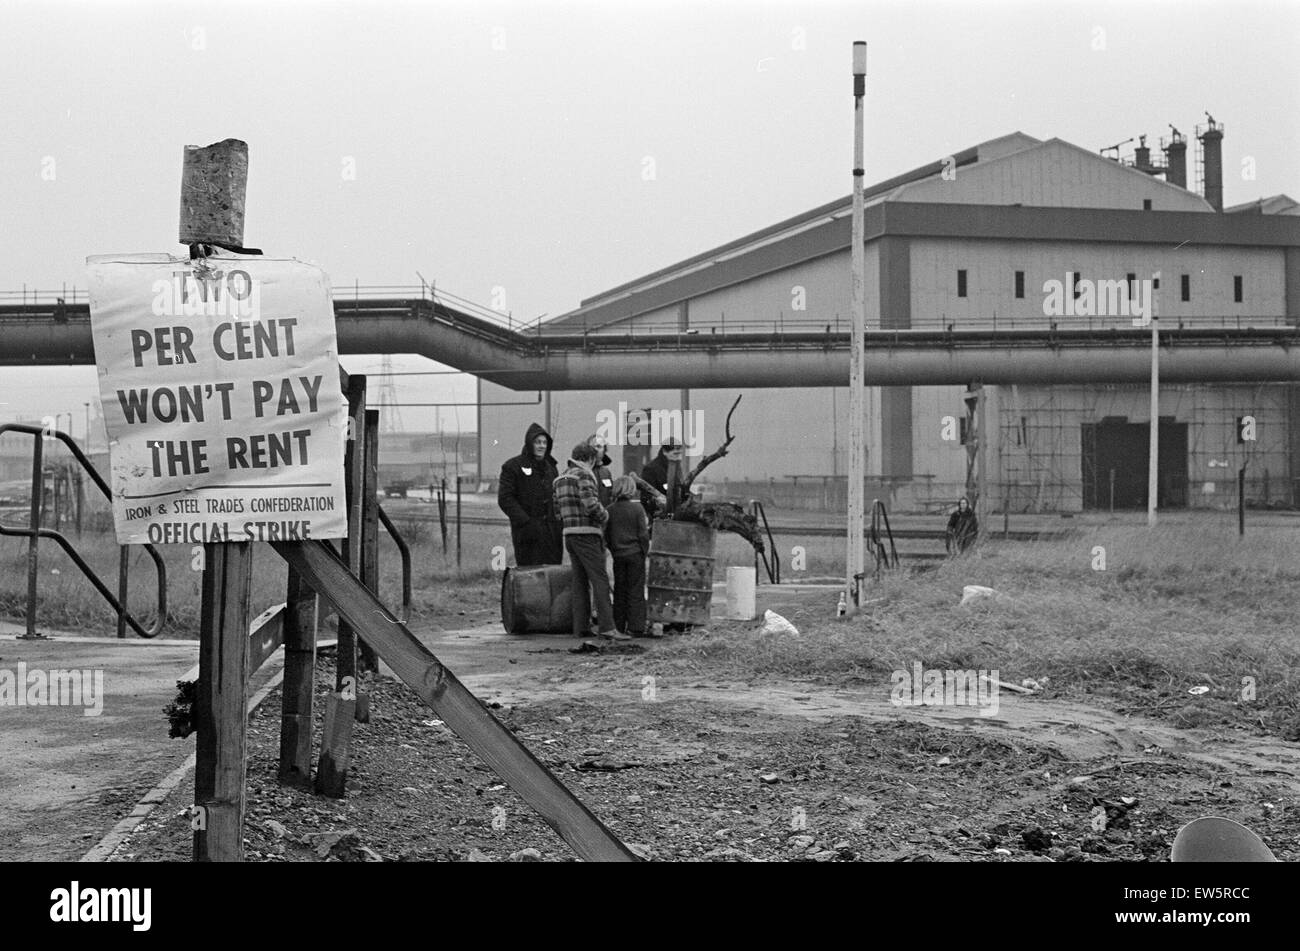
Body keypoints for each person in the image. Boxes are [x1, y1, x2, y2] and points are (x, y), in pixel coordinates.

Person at [553, 442, 628, 641]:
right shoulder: (584, 475)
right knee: (600, 580)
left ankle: (581, 628)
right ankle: (607, 627)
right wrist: (605, 516)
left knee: (579, 583)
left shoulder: (559, 478)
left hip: (569, 534)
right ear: (591, 459)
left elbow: (556, 510)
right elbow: (590, 504)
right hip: (587, 533)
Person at [497, 422, 562, 566]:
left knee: (552, 573)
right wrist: (526, 522)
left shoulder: (552, 468)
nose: (541, 446)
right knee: (530, 575)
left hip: (551, 533)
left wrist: (559, 523)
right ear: (529, 443)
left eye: (545, 442)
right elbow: (505, 499)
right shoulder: (513, 466)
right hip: (527, 533)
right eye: (537, 442)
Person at [606, 475, 650, 637]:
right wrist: (644, 551)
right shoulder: (638, 509)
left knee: (619, 590)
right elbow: (643, 535)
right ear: (631, 490)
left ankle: (619, 625)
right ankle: (636, 626)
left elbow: (607, 536)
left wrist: (613, 549)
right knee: (635, 590)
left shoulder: (609, 510)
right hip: (635, 555)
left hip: (618, 556)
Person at [640, 437, 689, 521]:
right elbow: (646, 497)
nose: (678, 457)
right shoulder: (651, 469)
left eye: (679, 454)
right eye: (675, 454)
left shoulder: (676, 467)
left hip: (677, 515)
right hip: (659, 518)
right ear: (665, 452)